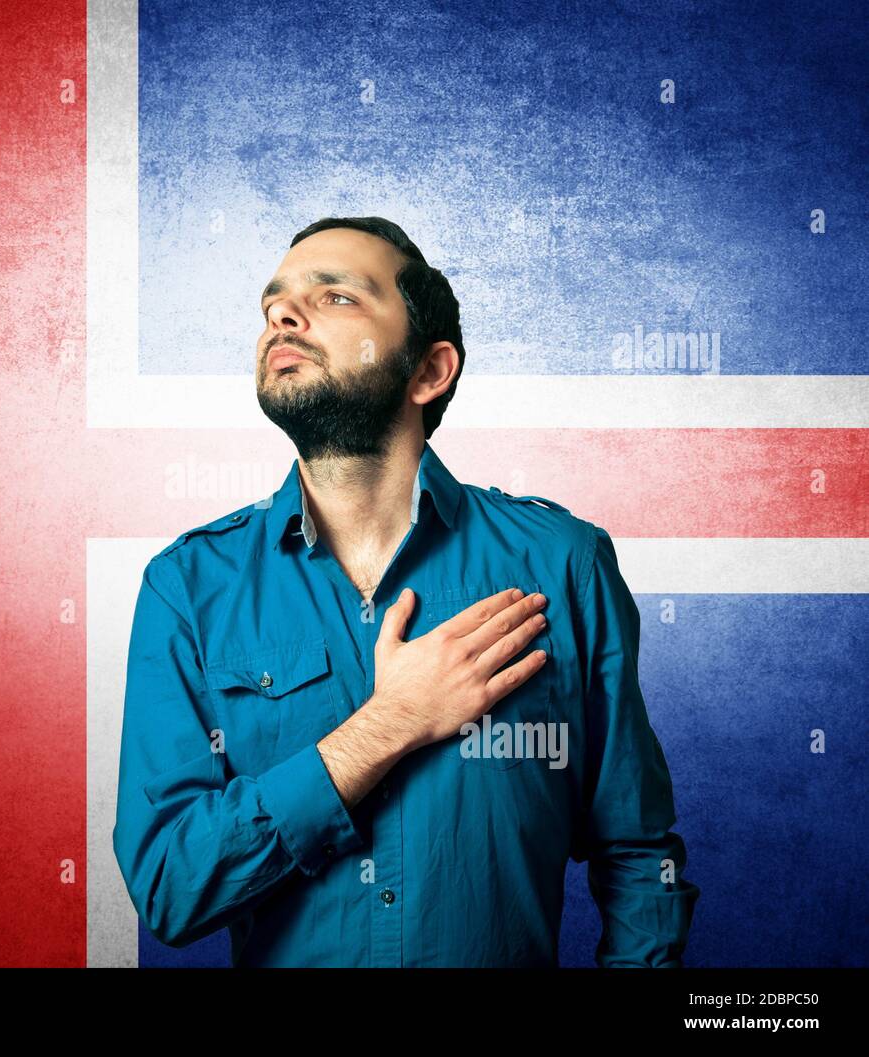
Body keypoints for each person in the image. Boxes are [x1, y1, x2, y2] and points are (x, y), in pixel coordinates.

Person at [112, 215, 699, 967]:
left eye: (338, 298)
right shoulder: (187, 588)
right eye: (274, 304)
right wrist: (389, 724)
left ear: (429, 370)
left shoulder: (564, 564)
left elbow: (640, 854)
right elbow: (171, 887)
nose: (283, 316)